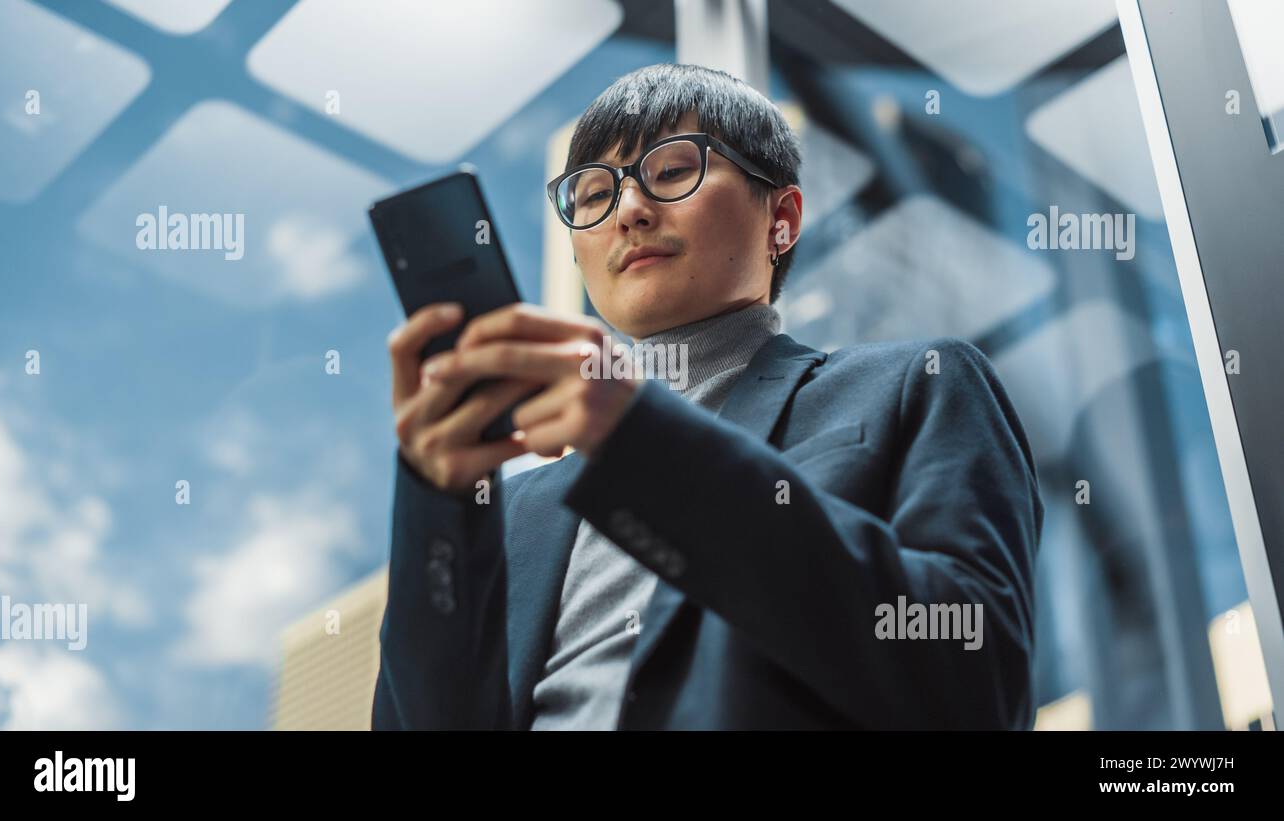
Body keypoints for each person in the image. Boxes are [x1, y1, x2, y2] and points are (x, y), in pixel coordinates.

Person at [372, 63, 1043, 730]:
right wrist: (439, 505)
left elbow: (972, 683)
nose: (629, 210)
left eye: (670, 171)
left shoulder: (918, 385)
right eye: (594, 195)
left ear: (781, 218)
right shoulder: (511, 513)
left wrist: (640, 443)